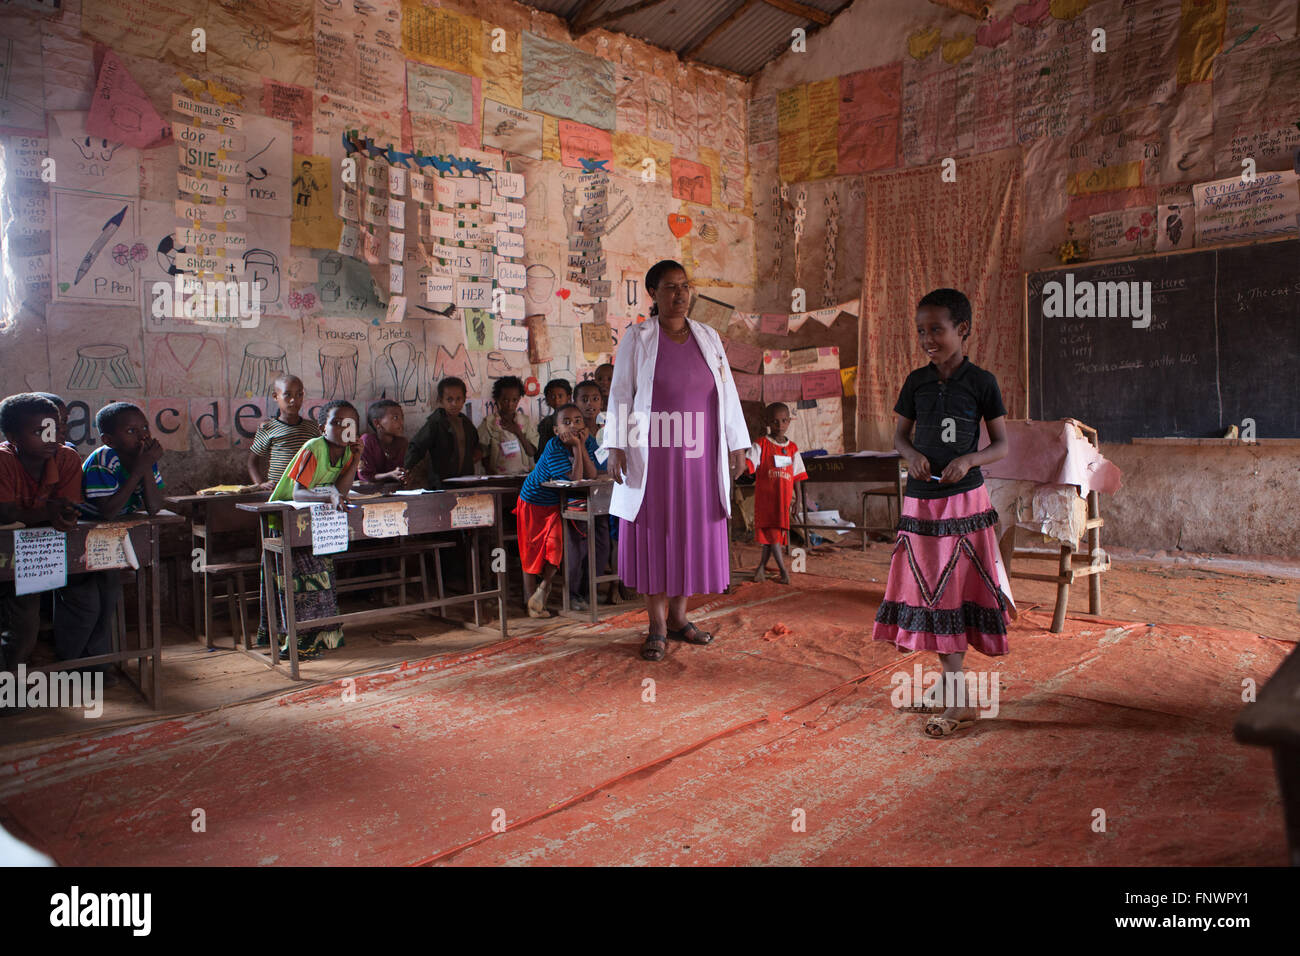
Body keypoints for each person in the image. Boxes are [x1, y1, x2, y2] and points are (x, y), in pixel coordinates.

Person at [871, 288, 1015, 738]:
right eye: (921, 331)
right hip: (920, 501)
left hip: (964, 504)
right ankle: (948, 689)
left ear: (963, 329)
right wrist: (910, 455)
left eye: (937, 329)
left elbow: (1001, 445)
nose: (927, 338)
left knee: (950, 592)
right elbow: (899, 438)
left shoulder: (982, 382)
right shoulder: (915, 382)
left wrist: (968, 460)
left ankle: (959, 699)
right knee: (925, 591)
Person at [605, 260, 750, 661]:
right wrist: (615, 445)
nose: (680, 294)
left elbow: (728, 392)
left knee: (689, 532)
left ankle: (679, 618)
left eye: (685, 286)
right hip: (653, 452)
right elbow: (620, 394)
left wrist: (737, 444)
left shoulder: (708, 337)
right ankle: (655, 623)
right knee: (656, 531)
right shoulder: (638, 337)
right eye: (670, 287)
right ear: (653, 293)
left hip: (700, 455)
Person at [57, 402, 165, 678]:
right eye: (131, 430)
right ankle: (72, 666)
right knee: (86, 604)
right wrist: (140, 469)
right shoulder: (103, 461)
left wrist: (145, 467)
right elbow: (107, 510)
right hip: (80, 541)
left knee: (108, 599)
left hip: (110, 542)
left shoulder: (142, 459)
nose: (142, 435)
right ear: (108, 439)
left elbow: (154, 507)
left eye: (144, 428)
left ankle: (97, 666)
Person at [258, 400, 361, 660]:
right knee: (298, 581)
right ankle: (296, 641)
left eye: (349, 424)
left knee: (322, 574)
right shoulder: (313, 448)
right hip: (285, 520)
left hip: (316, 522)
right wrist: (331, 498)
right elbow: (298, 492)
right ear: (321, 428)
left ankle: (321, 635)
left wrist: (357, 458)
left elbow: (344, 490)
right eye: (335, 423)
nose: (342, 428)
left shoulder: (349, 452)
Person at [0, 394, 82, 672]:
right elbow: (5, 514)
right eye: (39, 431)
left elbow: (67, 508)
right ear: (12, 436)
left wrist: (62, 515)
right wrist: (50, 512)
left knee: (24, 617)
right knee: (19, 618)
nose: (50, 437)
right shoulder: (3, 459)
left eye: (53, 428)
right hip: (8, 551)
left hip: (33, 553)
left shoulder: (67, 457)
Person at [517, 404, 596, 617]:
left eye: (578, 421)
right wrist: (577, 448)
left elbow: (592, 474)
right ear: (556, 430)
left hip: (555, 504)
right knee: (532, 549)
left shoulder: (584, 441)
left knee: (555, 548)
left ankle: (542, 590)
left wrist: (581, 446)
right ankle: (529, 597)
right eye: (566, 422)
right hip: (534, 502)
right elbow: (576, 480)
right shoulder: (553, 446)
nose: (573, 426)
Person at [747, 402, 807, 584]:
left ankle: (760, 569)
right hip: (767, 501)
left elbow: (797, 475)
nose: (779, 425)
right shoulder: (761, 445)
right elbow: (749, 463)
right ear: (767, 422)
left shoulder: (792, 449)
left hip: (784, 501)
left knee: (772, 536)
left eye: (783, 421)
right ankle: (783, 572)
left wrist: (798, 501)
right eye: (774, 422)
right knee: (773, 535)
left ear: (789, 421)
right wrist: (740, 465)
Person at [564, 381, 609, 611]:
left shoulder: (608, 427)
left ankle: (592, 588)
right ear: (575, 401)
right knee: (577, 545)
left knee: (602, 541)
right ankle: (574, 593)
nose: (590, 404)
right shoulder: (570, 431)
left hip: (604, 493)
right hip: (579, 494)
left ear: (601, 402)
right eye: (584, 399)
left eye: (595, 399)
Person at [405, 377, 480, 490]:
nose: (454, 403)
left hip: (465, 481)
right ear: (441, 400)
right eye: (449, 399)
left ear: (464, 399)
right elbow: (417, 446)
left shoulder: (466, 423)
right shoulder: (435, 422)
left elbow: (476, 445)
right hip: (441, 482)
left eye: (458, 399)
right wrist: (406, 469)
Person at [247, 373, 320, 490]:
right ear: (275, 396)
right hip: (277, 489)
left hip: (306, 488)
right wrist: (260, 484)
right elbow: (252, 462)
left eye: (299, 394)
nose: (293, 400)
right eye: (287, 394)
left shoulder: (312, 428)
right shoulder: (268, 428)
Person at [478, 375, 538, 475]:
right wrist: (490, 472)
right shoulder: (489, 422)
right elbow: (482, 451)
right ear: (497, 399)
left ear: (519, 399)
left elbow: (531, 452)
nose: (510, 404)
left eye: (514, 400)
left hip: (523, 475)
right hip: (498, 477)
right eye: (505, 400)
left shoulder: (525, 421)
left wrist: (517, 431)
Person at [359, 399, 409, 485]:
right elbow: (365, 476)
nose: (401, 422)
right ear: (377, 423)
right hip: (367, 492)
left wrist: (402, 475)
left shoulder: (402, 443)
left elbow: (401, 471)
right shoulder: (367, 441)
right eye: (395, 418)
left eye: (402, 417)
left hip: (393, 491)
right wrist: (390, 475)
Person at [535, 378, 572, 456]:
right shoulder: (546, 423)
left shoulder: (576, 419)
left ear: (568, 397)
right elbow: (542, 449)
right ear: (547, 400)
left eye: (560, 396)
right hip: (553, 462)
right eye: (552, 397)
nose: (556, 400)